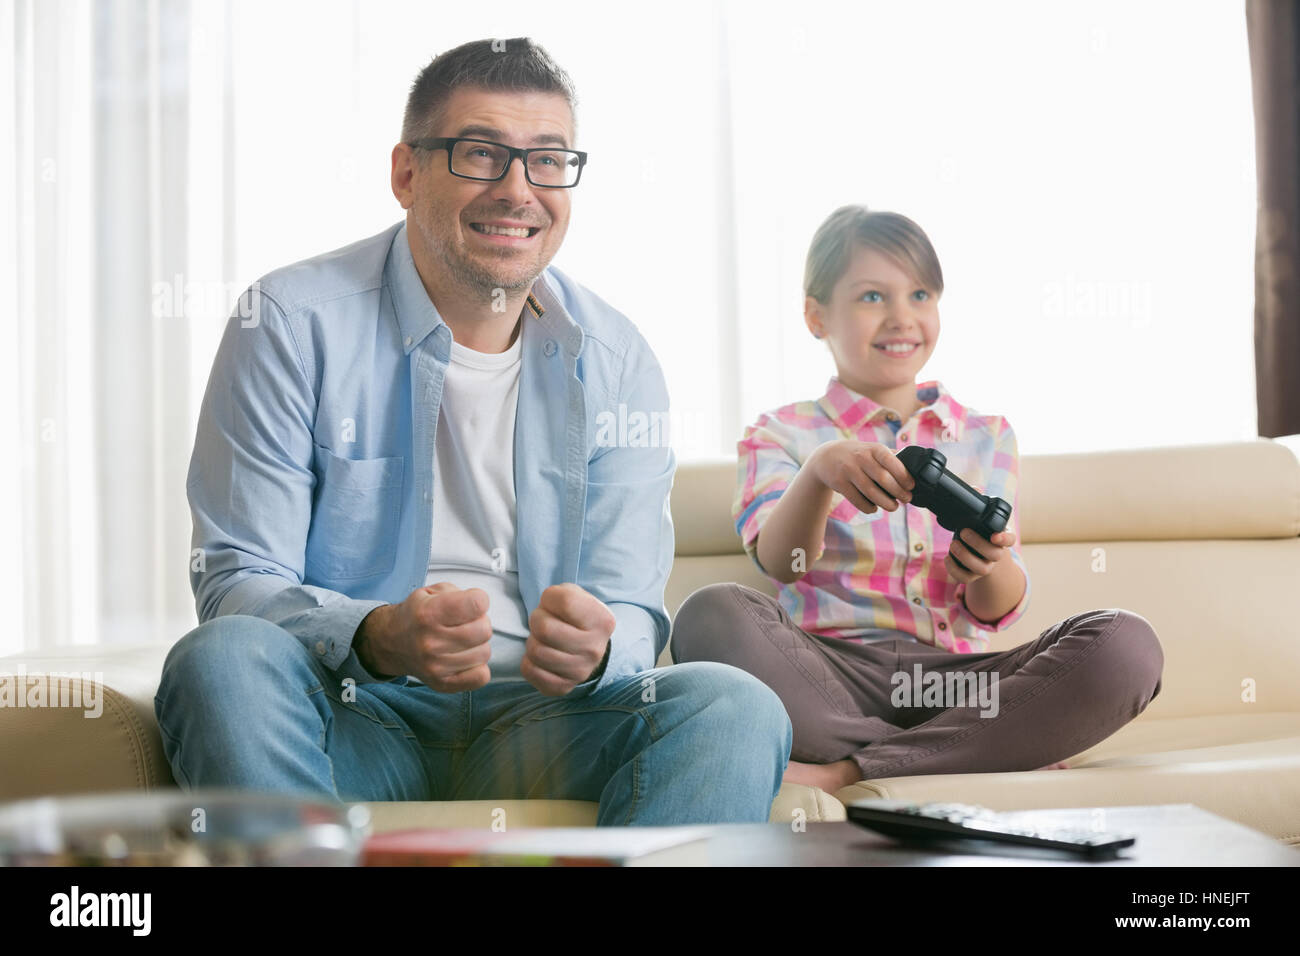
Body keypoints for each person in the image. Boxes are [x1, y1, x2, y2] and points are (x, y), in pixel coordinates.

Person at [155, 37, 791, 826]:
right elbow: (235, 581)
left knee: (732, 704)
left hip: (547, 719)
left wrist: (599, 648)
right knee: (218, 664)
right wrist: (378, 635)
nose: (518, 190)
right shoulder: (289, 323)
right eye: (480, 154)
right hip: (351, 710)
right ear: (405, 173)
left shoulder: (618, 359)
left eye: (548, 160)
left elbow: (630, 605)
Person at [670, 205, 1163, 795]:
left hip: (957, 684)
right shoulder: (780, 434)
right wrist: (821, 471)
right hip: (829, 675)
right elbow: (781, 563)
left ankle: (845, 770)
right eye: (873, 297)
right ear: (815, 314)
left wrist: (988, 563)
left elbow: (994, 608)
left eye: (921, 294)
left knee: (1126, 646)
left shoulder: (987, 435)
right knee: (710, 612)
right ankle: (980, 747)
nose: (902, 317)